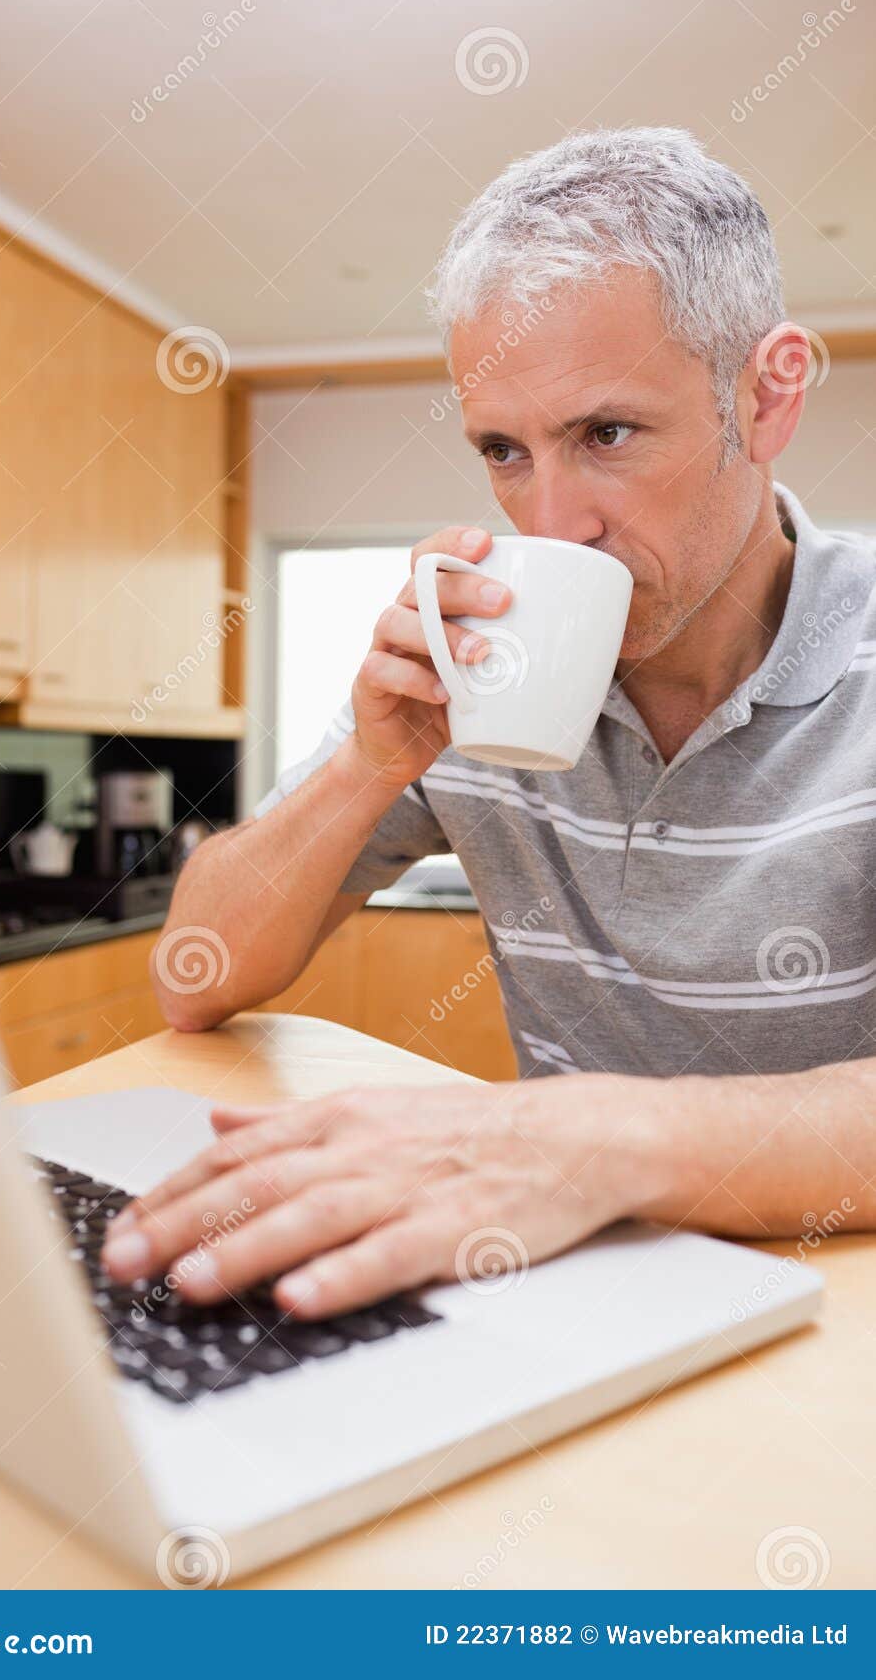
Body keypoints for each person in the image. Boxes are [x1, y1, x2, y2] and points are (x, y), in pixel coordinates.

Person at [105, 126, 876, 1315]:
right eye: (503, 452)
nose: (550, 520)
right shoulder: (486, 661)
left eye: (605, 435)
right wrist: (370, 764)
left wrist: (586, 1141)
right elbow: (191, 977)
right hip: (566, 1289)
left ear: (765, 395)